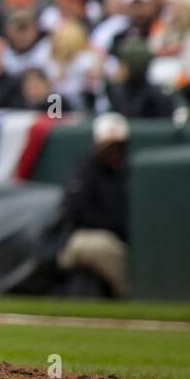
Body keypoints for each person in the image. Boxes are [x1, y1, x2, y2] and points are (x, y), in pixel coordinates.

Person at [56, 112, 130, 297]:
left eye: (118, 146)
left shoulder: (127, 172)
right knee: (106, 248)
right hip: (81, 237)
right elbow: (74, 211)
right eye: (109, 146)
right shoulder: (85, 170)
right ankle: (131, 295)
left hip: (119, 237)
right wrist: (112, 226)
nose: (114, 152)